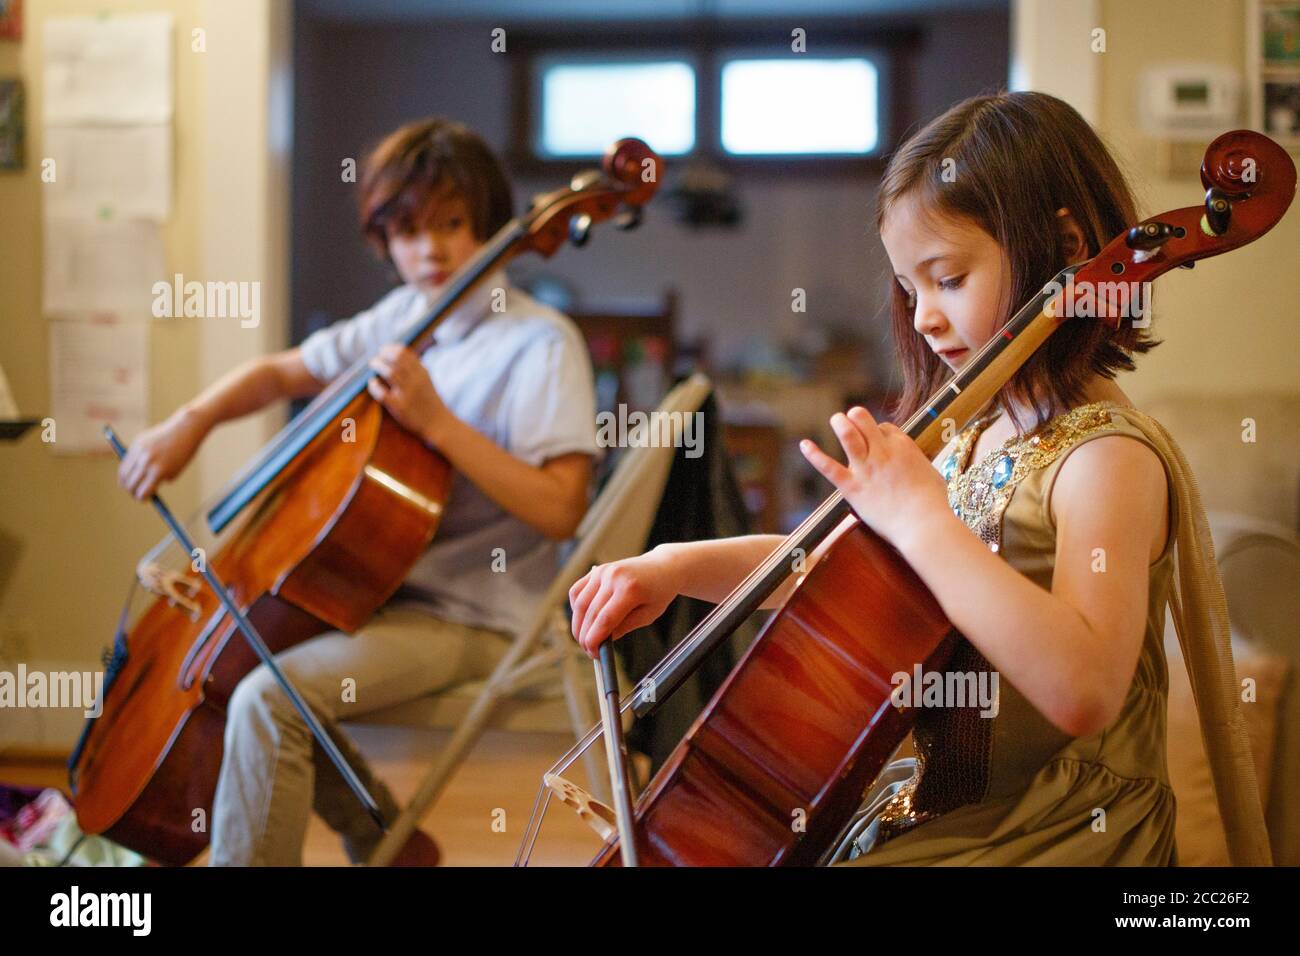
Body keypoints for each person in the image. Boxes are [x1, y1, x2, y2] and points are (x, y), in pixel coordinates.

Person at [568, 91, 1271, 866]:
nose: (925, 317)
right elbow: (838, 567)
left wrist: (925, 523)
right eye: (909, 289)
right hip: (950, 804)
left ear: (1067, 248)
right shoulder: (974, 429)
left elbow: (1084, 687)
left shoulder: (1105, 460)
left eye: (948, 278)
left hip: (1054, 831)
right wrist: (675, 568)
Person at [117, 118, 600, 866]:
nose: (430, 249)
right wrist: (191, 422)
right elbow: (281, 373)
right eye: (406, 230)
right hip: (381, 595)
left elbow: (562, 506)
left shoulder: (539, 343)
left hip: (476, 612)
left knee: (270, 696)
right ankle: (387, 843)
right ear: (384, 239)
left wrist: (437, 422)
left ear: (493, 225)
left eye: (451, 223)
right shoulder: (402, 319)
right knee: (249, 656)